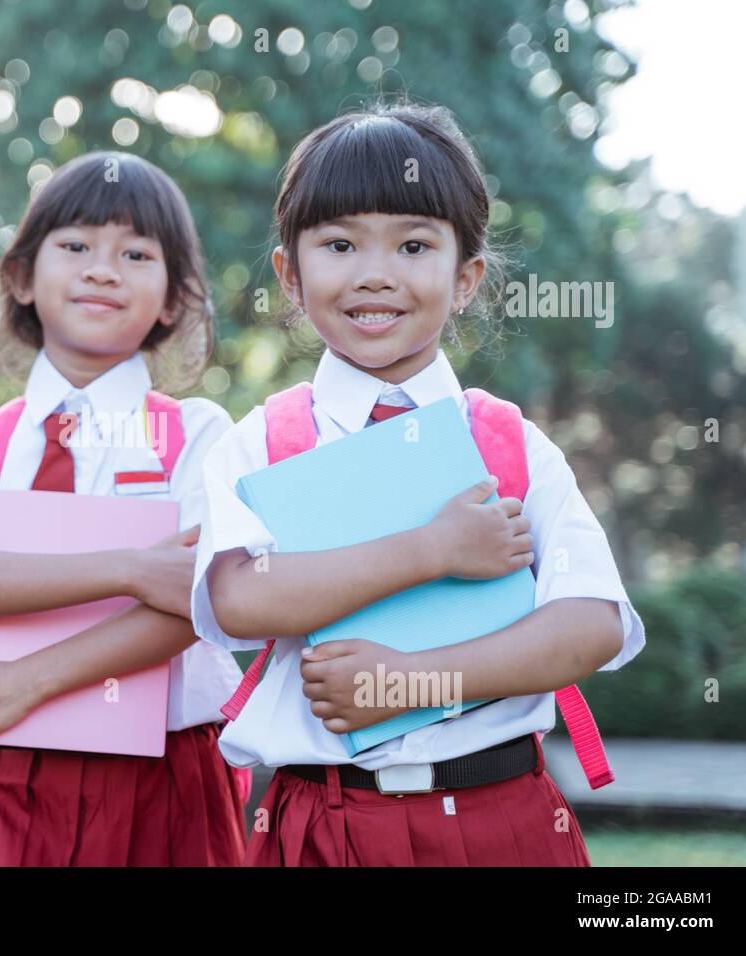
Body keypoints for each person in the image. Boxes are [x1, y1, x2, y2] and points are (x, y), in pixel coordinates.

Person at [191, 103, 646, 866]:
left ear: (465, 277)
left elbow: (592, 623)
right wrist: (432, 548)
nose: (376, 274)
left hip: (502, 820)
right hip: (323, 826)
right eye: (339, 244)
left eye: (412, 244)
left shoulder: (509, 444)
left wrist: (408, 682)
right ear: (290, 277)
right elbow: (239, 599)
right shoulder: (260, 444)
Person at [0, 151, 248, 866]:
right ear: (21, 275)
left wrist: (26, 681)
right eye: (75, 245)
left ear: (173, 298)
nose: (102, 269)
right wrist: (132, 568)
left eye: (136, 253)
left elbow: (193, 603)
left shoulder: (199, 434)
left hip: (169, 775)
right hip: (14, 774)